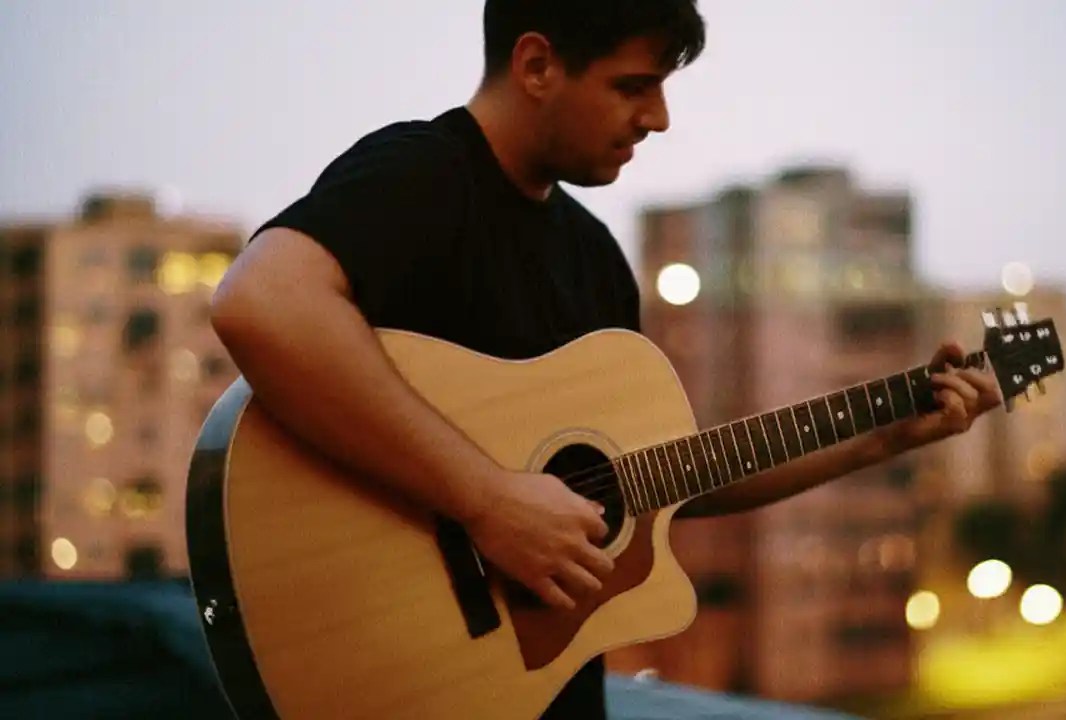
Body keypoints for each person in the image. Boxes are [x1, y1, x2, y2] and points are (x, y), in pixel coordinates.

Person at [208, 1, 1001, 717]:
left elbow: (656, 486)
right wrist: (489, 503)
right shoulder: (425, 175)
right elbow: (262, 301)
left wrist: (884, 438)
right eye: (632, 85)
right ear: (536, 65)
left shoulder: (592, 256)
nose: (656, 117)